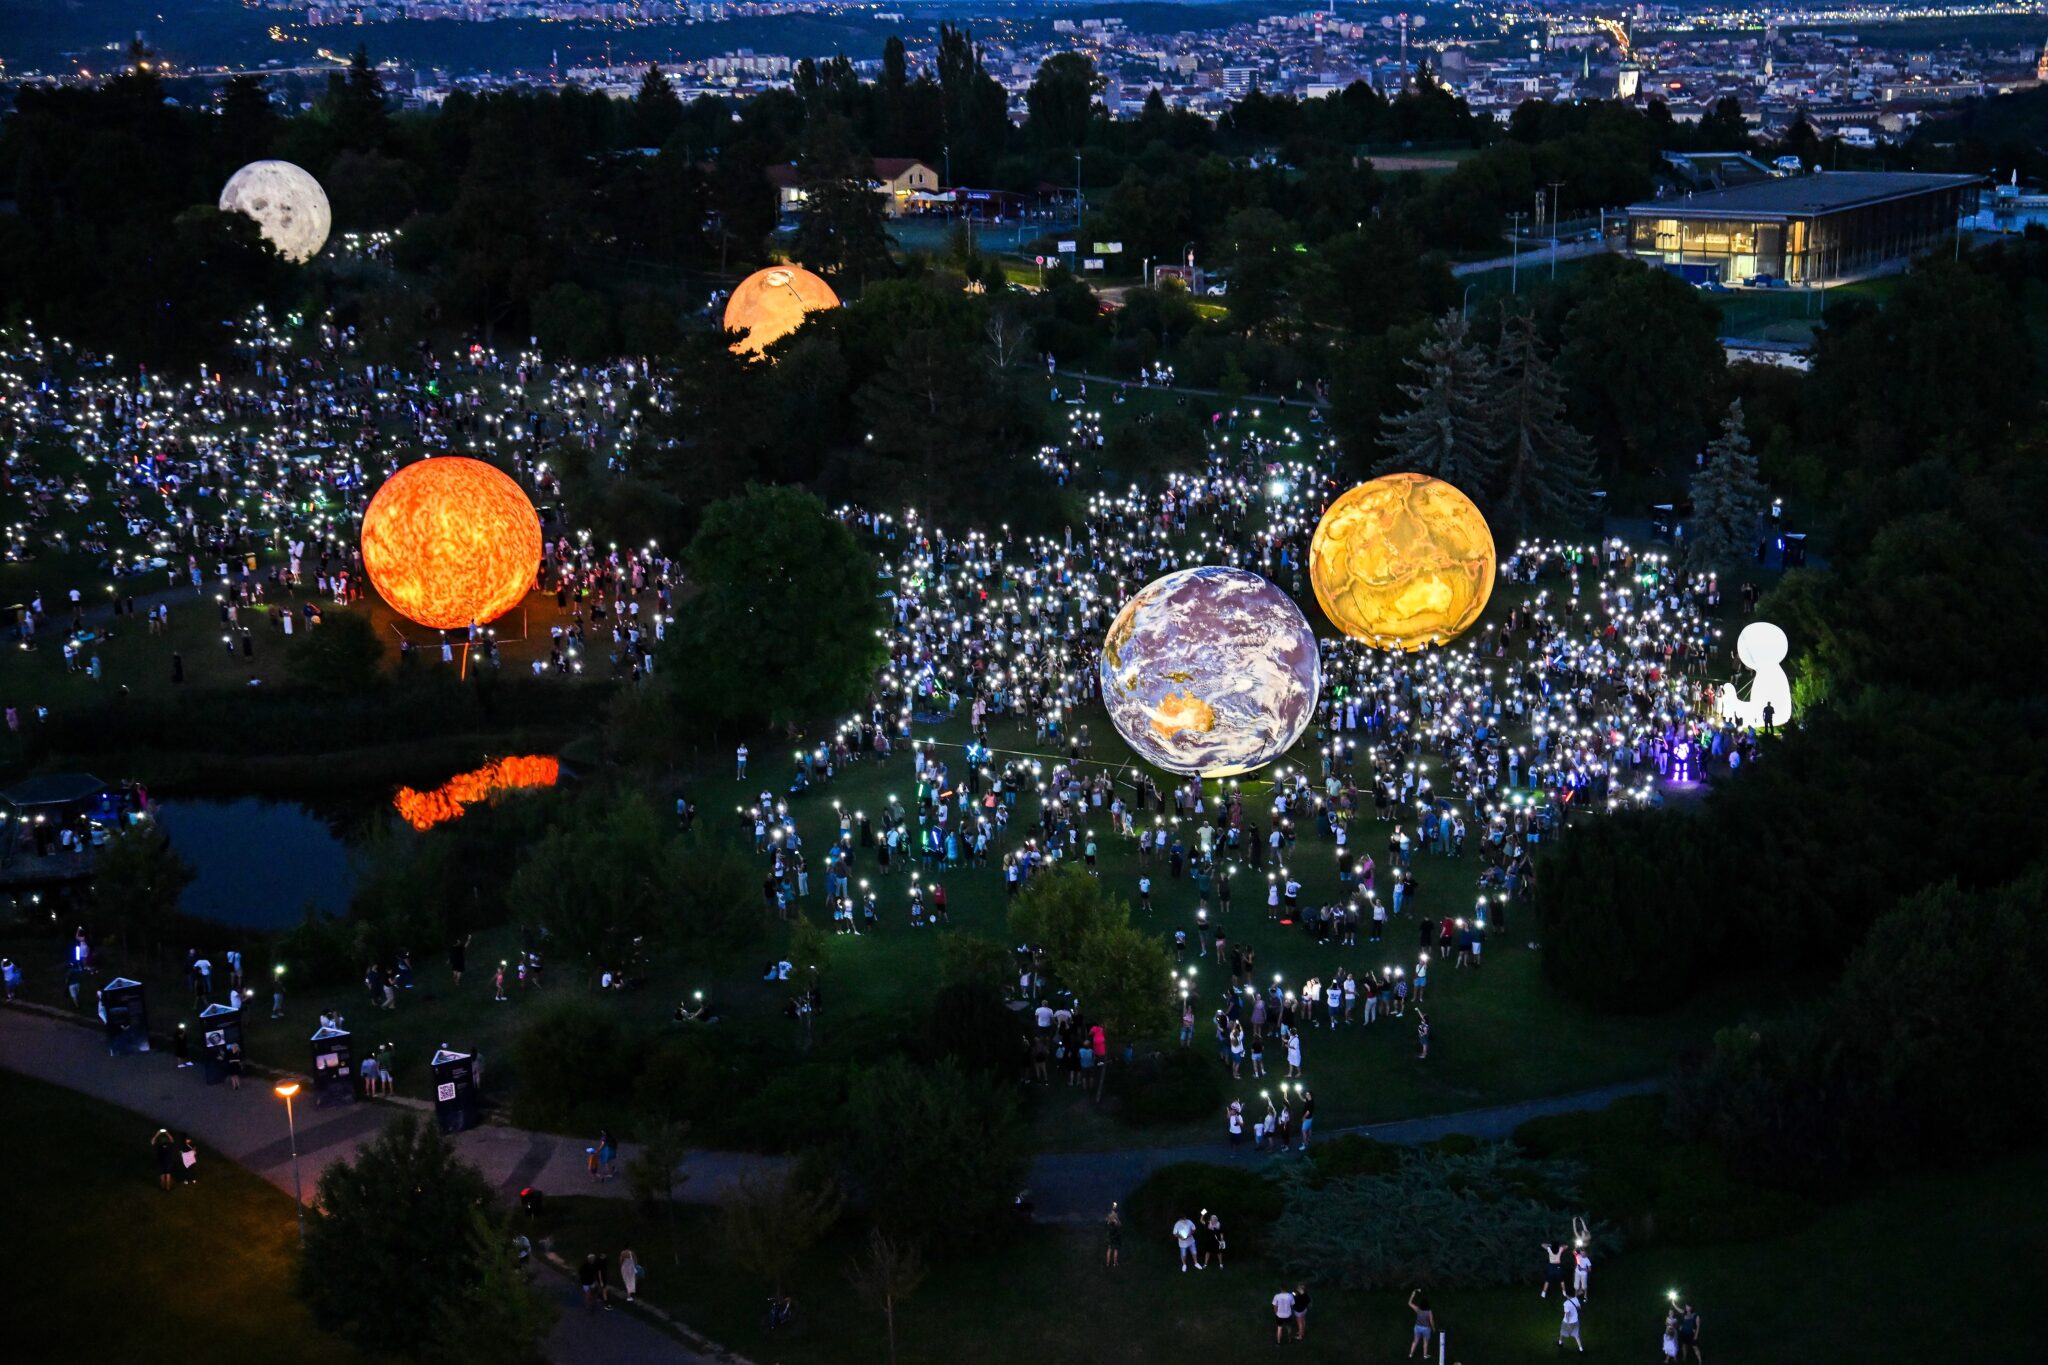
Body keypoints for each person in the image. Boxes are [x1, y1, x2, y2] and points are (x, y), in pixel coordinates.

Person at [1407, 1290, 1435, 1358]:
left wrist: (1412, 1295)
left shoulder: (1418, 1309)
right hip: (1426, 1328)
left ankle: (1411, 1354)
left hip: (1417, 1327)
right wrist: (1433, 1328)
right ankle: (1425, 1355)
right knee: (1425, 1342)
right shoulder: (1429, 1311)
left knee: (1415, 1341)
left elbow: (1409, 1303)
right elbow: (1431, 1320)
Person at [152, 1128, 178, 1192]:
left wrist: (157, 1134)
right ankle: (168, 1188)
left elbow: (152, 1142)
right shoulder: (169, 1145)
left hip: (161, 1161)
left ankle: (163, 1188)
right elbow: (172, 1140)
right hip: (169, 1161)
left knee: (162, 1174)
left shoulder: (159, 1146)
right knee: (168, 1174)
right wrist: (167, 1133)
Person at [1103, 1203, 1122, 1269]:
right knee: (1115, 1249)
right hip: (1116, 1235)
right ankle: (1114, 1263)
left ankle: (1108, 1264)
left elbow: (1106, 1223)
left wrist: (1109, 1220)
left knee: (1109, 1249)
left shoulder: (1109, 1216)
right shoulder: (1117, 1217)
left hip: (1110, 1235)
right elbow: (1120, 1225)